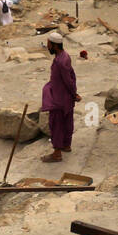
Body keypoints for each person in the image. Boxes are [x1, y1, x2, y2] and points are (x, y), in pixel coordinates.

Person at [40, 32, 79, 162]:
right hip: (65, 97)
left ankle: (57, 153)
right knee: (67, 122)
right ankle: (66, 145)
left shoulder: (61, 61)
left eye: (49, 45)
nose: (47, 47)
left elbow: (68, 80)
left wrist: (74, 94)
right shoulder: (64, 56)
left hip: (59, 98)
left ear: (54, 46)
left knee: (56, 125)